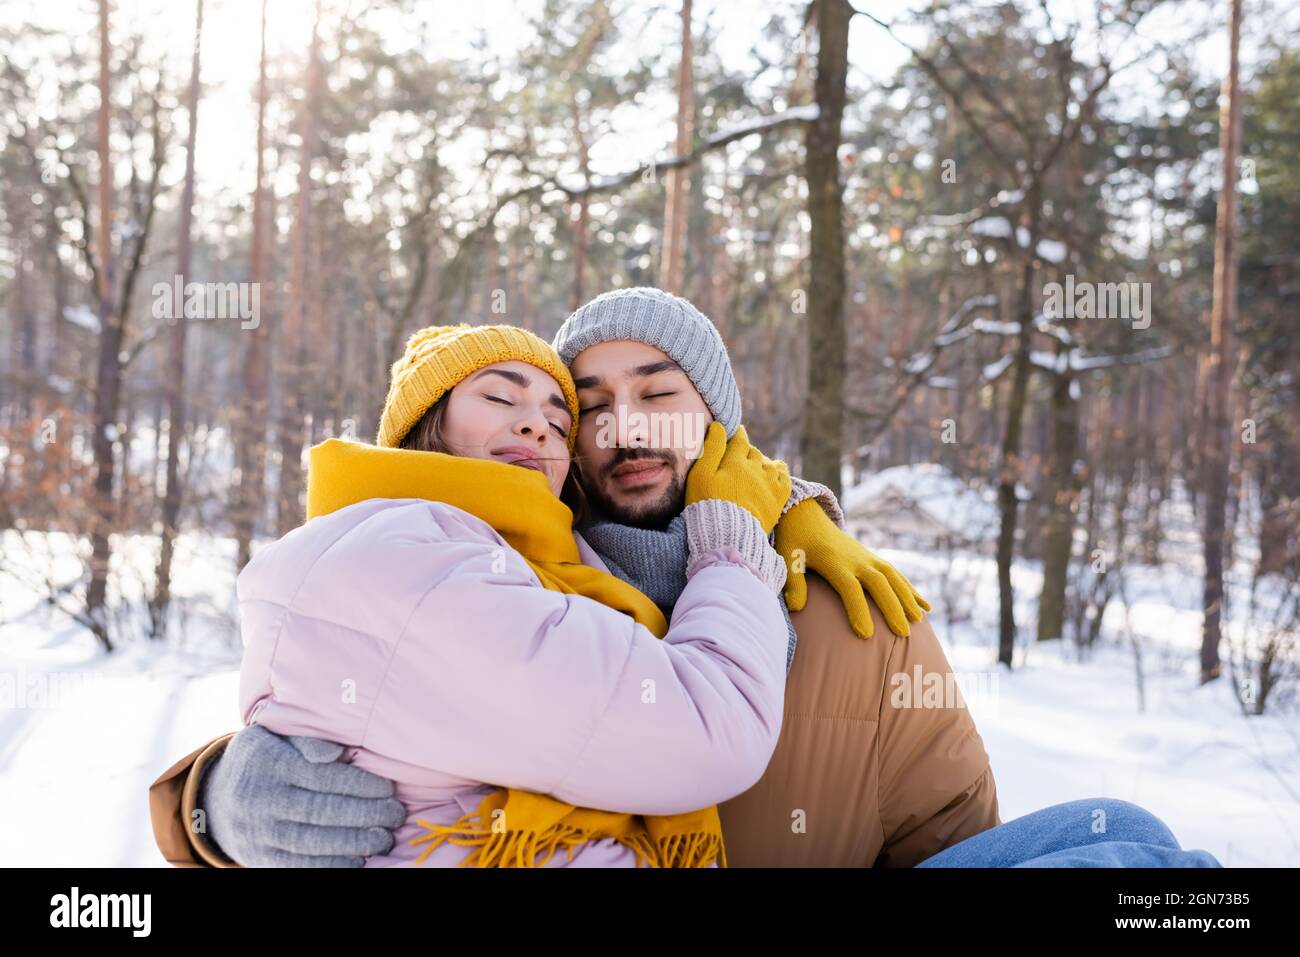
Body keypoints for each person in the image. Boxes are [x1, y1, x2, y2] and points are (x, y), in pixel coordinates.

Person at [150, 288, 998, 868]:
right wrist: (210, 806)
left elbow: (952, 839)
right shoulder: (509, 574)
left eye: (660, 393)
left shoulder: (860, 614)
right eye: (587, 406)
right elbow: (386, 740)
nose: (623, 427)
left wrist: (791, 514)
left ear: (723, 432)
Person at [219, 322, 798, 867]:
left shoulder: (551, 569)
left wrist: (799, 511)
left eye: (560, 418)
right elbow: (705, 732)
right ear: (425, 424)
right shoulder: (413, 556)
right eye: (500, 399)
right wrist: (734, 542)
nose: (537, 426)